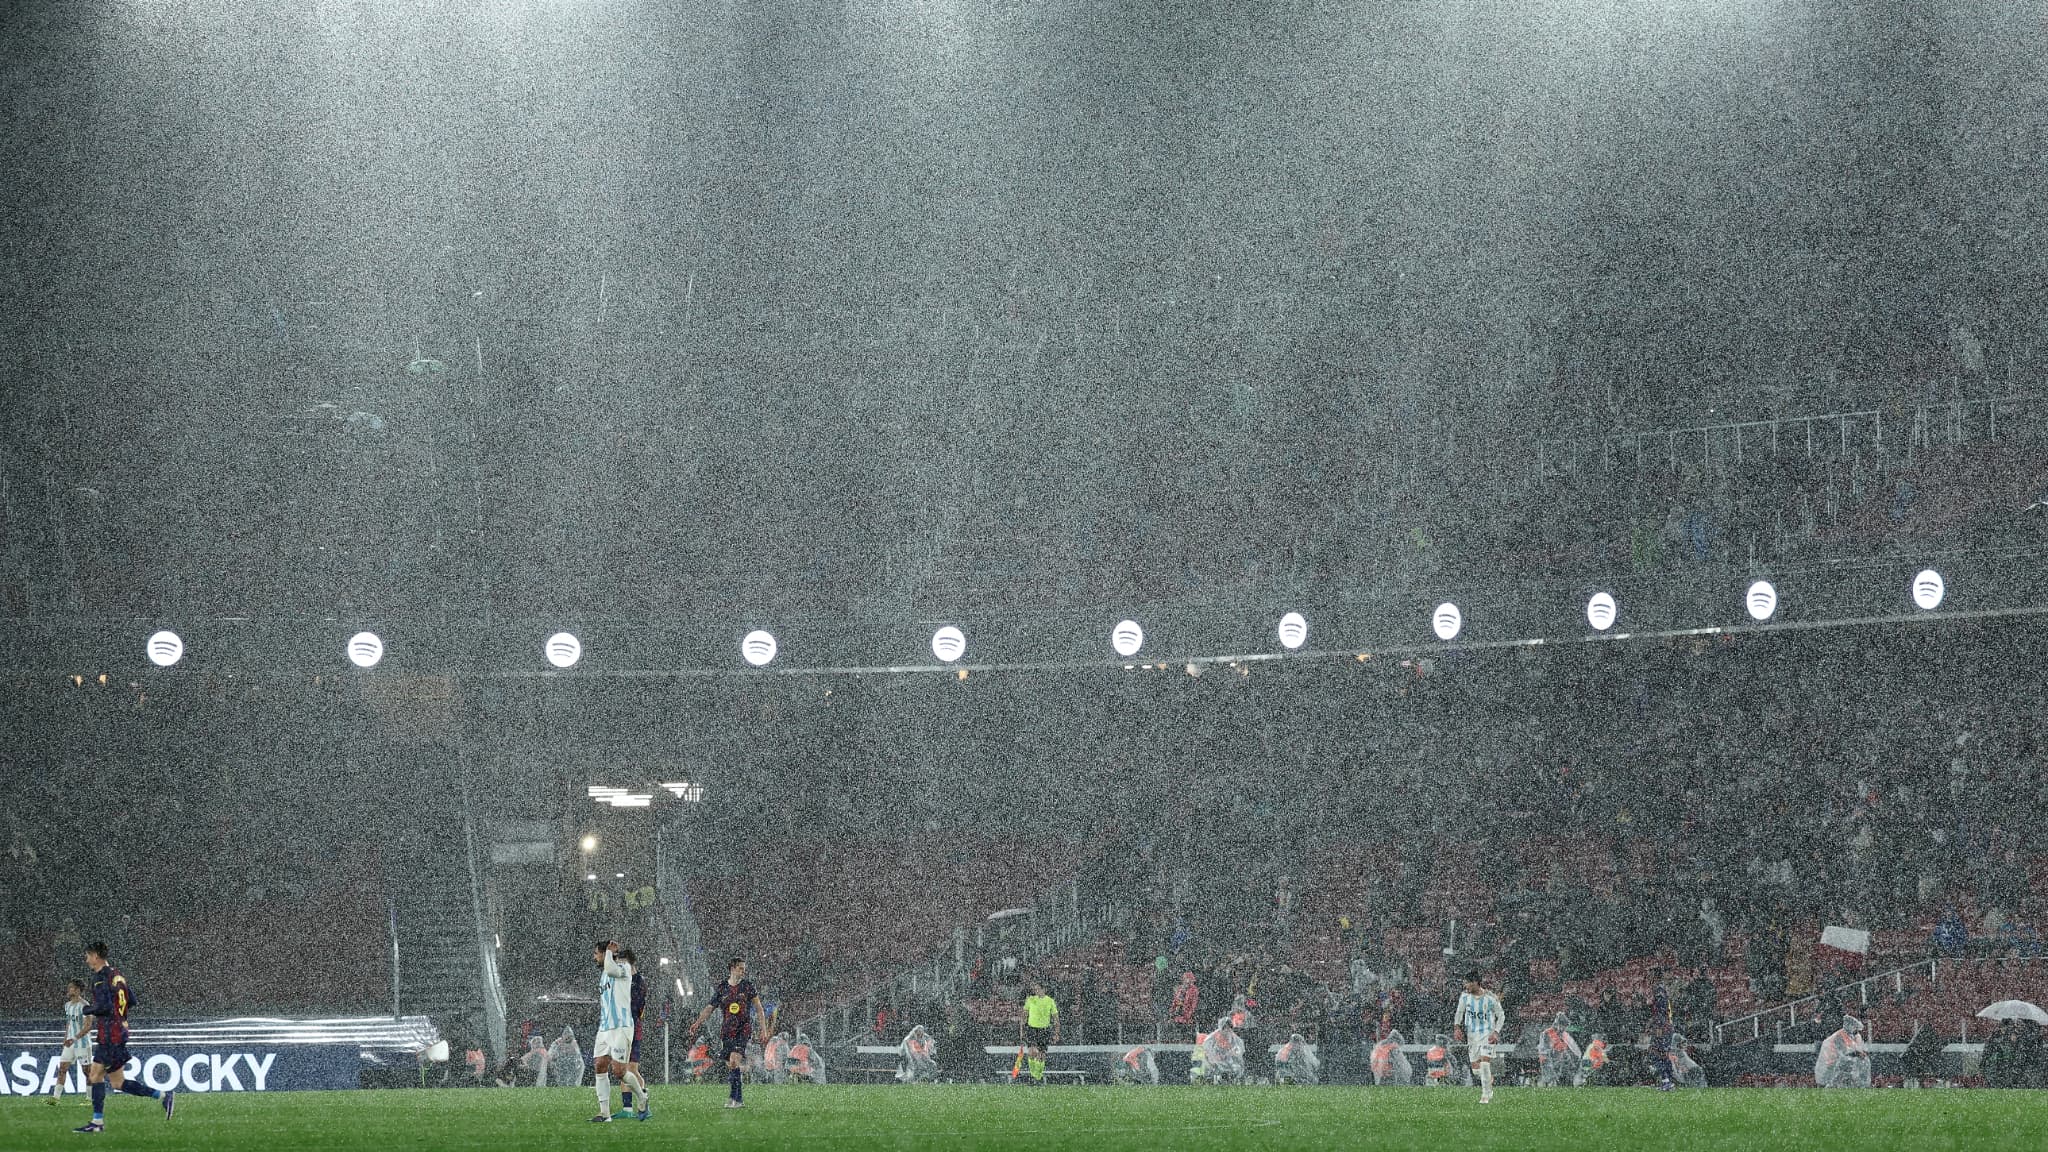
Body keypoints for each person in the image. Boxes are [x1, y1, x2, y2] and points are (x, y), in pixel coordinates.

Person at [76, 941, 172, 1134]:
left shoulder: (100, 977)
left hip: (110, 1034)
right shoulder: (118, 975)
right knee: (117, 1083)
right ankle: (163, 1096)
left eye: (87, 956)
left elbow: (104, 1008)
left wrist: (84, 1009)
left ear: (95, 955)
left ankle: (97, 1123)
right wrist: (120, 1016)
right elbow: (132, 1001)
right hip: (118, 1032)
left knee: (95, 1076)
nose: (86, 960)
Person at [688, 957, 765, 1109]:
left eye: (744, 968)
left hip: (743, 1028)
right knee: (731, 1064)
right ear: (732, 969)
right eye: (741, 968)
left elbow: (759, 1008)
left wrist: (763, 1028)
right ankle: (733, 1097)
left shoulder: (747, 987)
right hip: (727, 1030)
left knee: (735, 1059)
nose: (743, 971)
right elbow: (710, 1008)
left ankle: (739, 1100)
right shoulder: (722, 988)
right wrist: (697, 1023)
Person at [586, 941, 635, 1123]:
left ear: (606, 954)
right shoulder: (603, 976)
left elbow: (612, 970)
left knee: (620, 1071)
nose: (594, 957)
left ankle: (642, 1097)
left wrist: (609, 953)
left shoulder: (623, 966)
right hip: (605, 1028)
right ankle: (604, 1113)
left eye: (597, 954)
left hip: (621, 1026)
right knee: (599, 1064)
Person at [1452, 970, 1505, 1104]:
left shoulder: (1490, 998)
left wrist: (1496, 1032)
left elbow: (1501, 1016)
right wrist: (1457, 1027)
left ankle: (1485, 1095)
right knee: (1476, 1071)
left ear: (1475, 982)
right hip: (1472, 1036)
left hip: (1488, 1035)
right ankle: (1488, 1079)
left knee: (1485, 1064)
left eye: (1467, 983)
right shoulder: (1464, 997)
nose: (1466, 986)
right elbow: (1459, 1013)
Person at [616, 947, 650, 1120]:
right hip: (622, 1028)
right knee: (622, 1068)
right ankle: (627, 1108)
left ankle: (644, 1102)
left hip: (633, 1028)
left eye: (622, 963)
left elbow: (633, 1006)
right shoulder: (624, 980)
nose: (619, 967)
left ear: (630, 964)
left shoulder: (638, 981)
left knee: (631, 1069)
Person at [48, 979, 90, 1104]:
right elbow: (69, 1023)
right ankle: (55, 1098)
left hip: (82, 1043)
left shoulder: (85, 1006)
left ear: (77, 990)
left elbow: (88, 1026)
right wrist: (66, 1038)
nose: (69, 990)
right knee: (62, 1069)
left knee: (87, 1071)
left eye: (71, 987)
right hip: (70, 1043)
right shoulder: (67, 1005)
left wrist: (75, 1038)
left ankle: (90, 1099)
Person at [1815, 1015, 1872, 1088]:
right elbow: (1843, 1054)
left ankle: (1860, 1086)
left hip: (1838, 1064)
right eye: (1855, 1028)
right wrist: (1856, 1053)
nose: (1857, 1031)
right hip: (1831, 1064)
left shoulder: (1855, 1036)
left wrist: (1860, 1053)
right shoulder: (1839, 1036)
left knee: (1862, 1063)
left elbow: (1858, 1049)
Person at [1019, 981, 1059, 1084]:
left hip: (1044, 1030)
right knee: (1031, 1052)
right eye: (1035, 989)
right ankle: (1033, 1077)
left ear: (1043, 989)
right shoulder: (1030, 1000)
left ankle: (1038, 1077)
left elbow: (1055, 1018)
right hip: (1032, 1029)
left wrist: (1056, 1033)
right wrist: (1022, 1030)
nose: (1036, 991)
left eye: (1038, 989)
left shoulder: (1050, 1001)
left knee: (1041, 1055)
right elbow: (1024, 1016)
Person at [1647, 967, 1678, 1091]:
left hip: (1663, 1027)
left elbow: (1661, 1011)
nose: (1648, 978)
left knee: (1656, 1054)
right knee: (1663, 1054)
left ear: (1655, 977)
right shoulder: (1661, 990)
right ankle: (1669, 1081)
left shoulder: (1659, 991)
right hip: (1667, 1026)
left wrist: (1659, 1026)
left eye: (1650, 975)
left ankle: (1666, 1081)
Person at [1537, 1012, 1582, 1087]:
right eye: (1562, 1026)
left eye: (1565, 1026)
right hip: (1550, 1062)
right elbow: (1544, 1050)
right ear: (1557, 1024)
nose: (1563, 1028)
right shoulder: (1547, 1033)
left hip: (1562, 1063)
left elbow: (1571, 1048)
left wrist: (1571, 1059)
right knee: (1552, 1082)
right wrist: (1552, 1056)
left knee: (1566, 1080)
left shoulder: (1564, 1034)